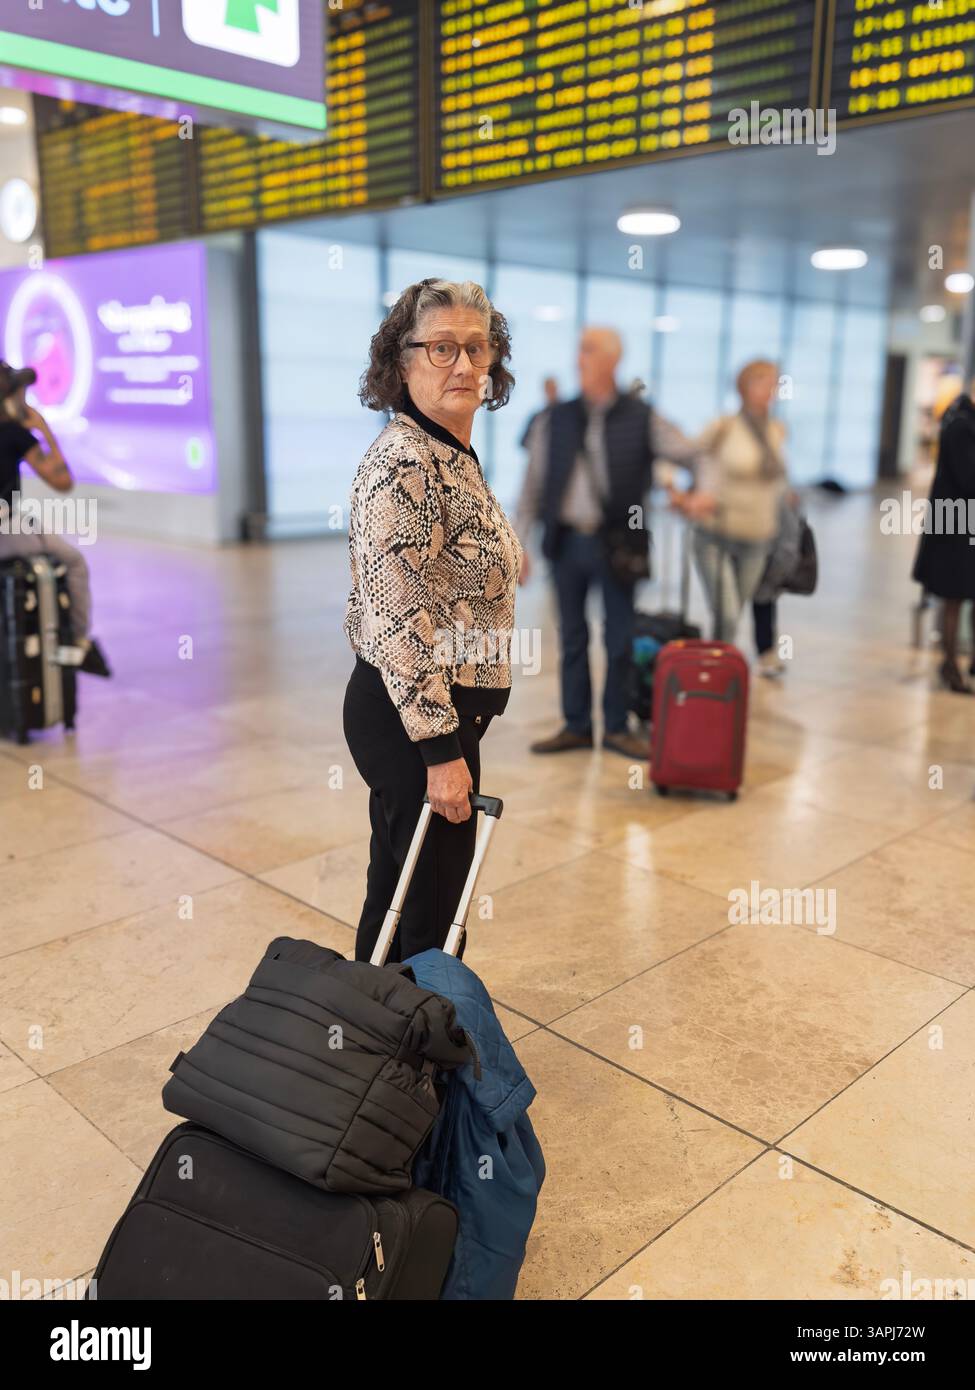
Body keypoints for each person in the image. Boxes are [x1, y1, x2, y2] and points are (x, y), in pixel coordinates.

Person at [343, 278, 521, 962]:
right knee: (430, 913)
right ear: (401, 361)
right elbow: (396, 621)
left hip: (438, 716)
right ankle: (413, 1060)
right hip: (413, 722)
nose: (463, 365)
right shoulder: (404, 463)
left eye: (477, 348)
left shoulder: (448, 451)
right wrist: (441, 755)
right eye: (440, 348)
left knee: (399, 892)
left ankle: (371, 1045)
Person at [516, 326, 702, 758]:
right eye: (579, 350)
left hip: (619, 545)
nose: (579, 358)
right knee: (572, 638)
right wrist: (518, 542)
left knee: (619, 637)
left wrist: (697, 492)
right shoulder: (554, 417)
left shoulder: (641, 416)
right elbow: (532, 486)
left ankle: (617, 726)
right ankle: (577, 725)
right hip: (566, 544)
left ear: (613, 360)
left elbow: (693, 454)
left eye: (589, 350)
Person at [0, 361, 110, 676]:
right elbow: (63, 482)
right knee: (74, 562)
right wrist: (42, 427)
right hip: (7, 531)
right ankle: (79, 644)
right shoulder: (14, 435)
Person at [671, 359, 787, 645]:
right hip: (716, 533)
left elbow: (776, 480)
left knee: (733, 614)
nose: (770, 389)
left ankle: (719, 674)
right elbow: (684, 457)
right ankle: (717, 674)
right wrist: (676, 493)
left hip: (758, 536)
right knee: (727, 614)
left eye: (774, 382)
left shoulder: (776, 430)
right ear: (743, 387)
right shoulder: (723, 427)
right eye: (761, 381)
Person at [912, 387, 975, 693]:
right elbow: (968, 479)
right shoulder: (961, 425)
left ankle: (967, 662)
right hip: (957, 527)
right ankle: (950, 665)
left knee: (964, 596)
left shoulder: (962, 420)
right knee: (955, 597)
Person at [518, 376, 559, 449]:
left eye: (553, 389)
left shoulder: (568, 415)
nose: (551, 392)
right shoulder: (537, 417)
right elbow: (523, 442)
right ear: (545, 391)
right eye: (549, 389)